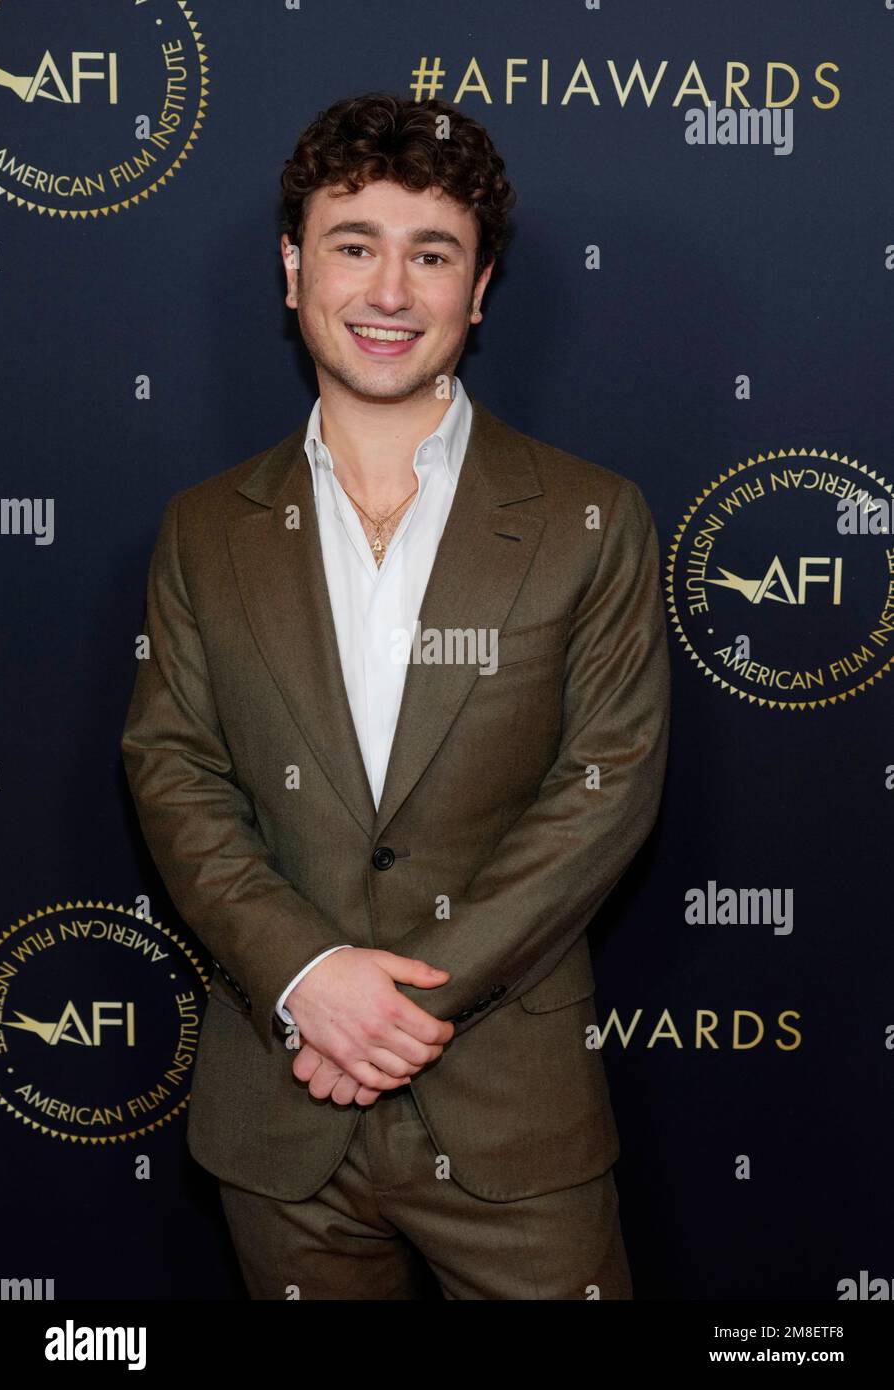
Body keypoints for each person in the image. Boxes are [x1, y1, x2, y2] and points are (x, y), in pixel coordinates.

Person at [121, 90, 671, 1300]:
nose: (387, 292)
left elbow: (609, 787)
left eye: (431, 255)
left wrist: (397, 1008)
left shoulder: (592, 517)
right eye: (352, 245)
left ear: (476, 292)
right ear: (292, 268)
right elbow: (175, 773)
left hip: (510, 1120)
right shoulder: (205, 529)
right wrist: (310, 978)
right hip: (280, 1117)